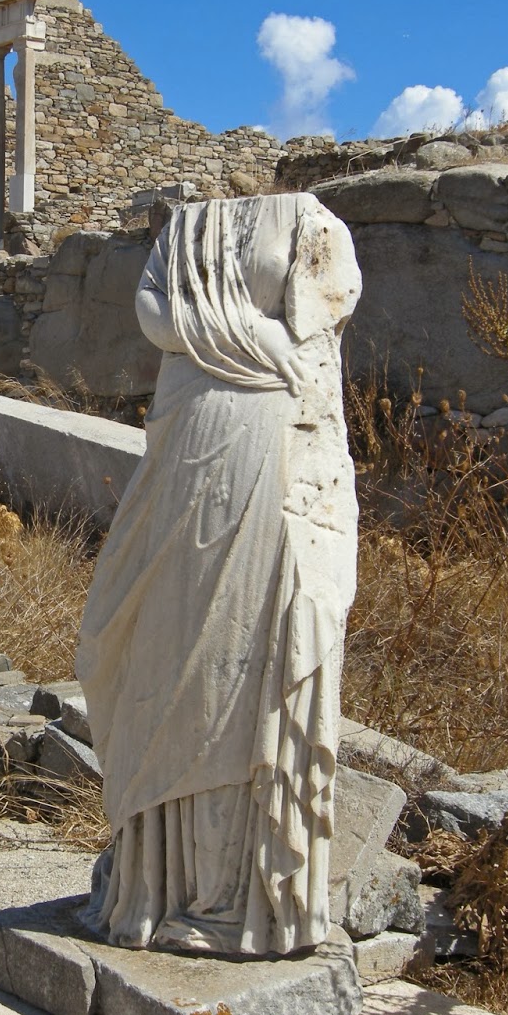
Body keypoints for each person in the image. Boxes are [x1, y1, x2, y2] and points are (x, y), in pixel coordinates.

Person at [75, 191, 362, 957]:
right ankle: (157, 883)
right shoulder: (184, 229)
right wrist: (247, 338)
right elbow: (155, 314)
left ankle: (237, 894)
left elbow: (317, 324)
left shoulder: (309, 219)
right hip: (187, 440)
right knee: (153, 652)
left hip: (272, 442)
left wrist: (213, 338)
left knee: (249, 658)